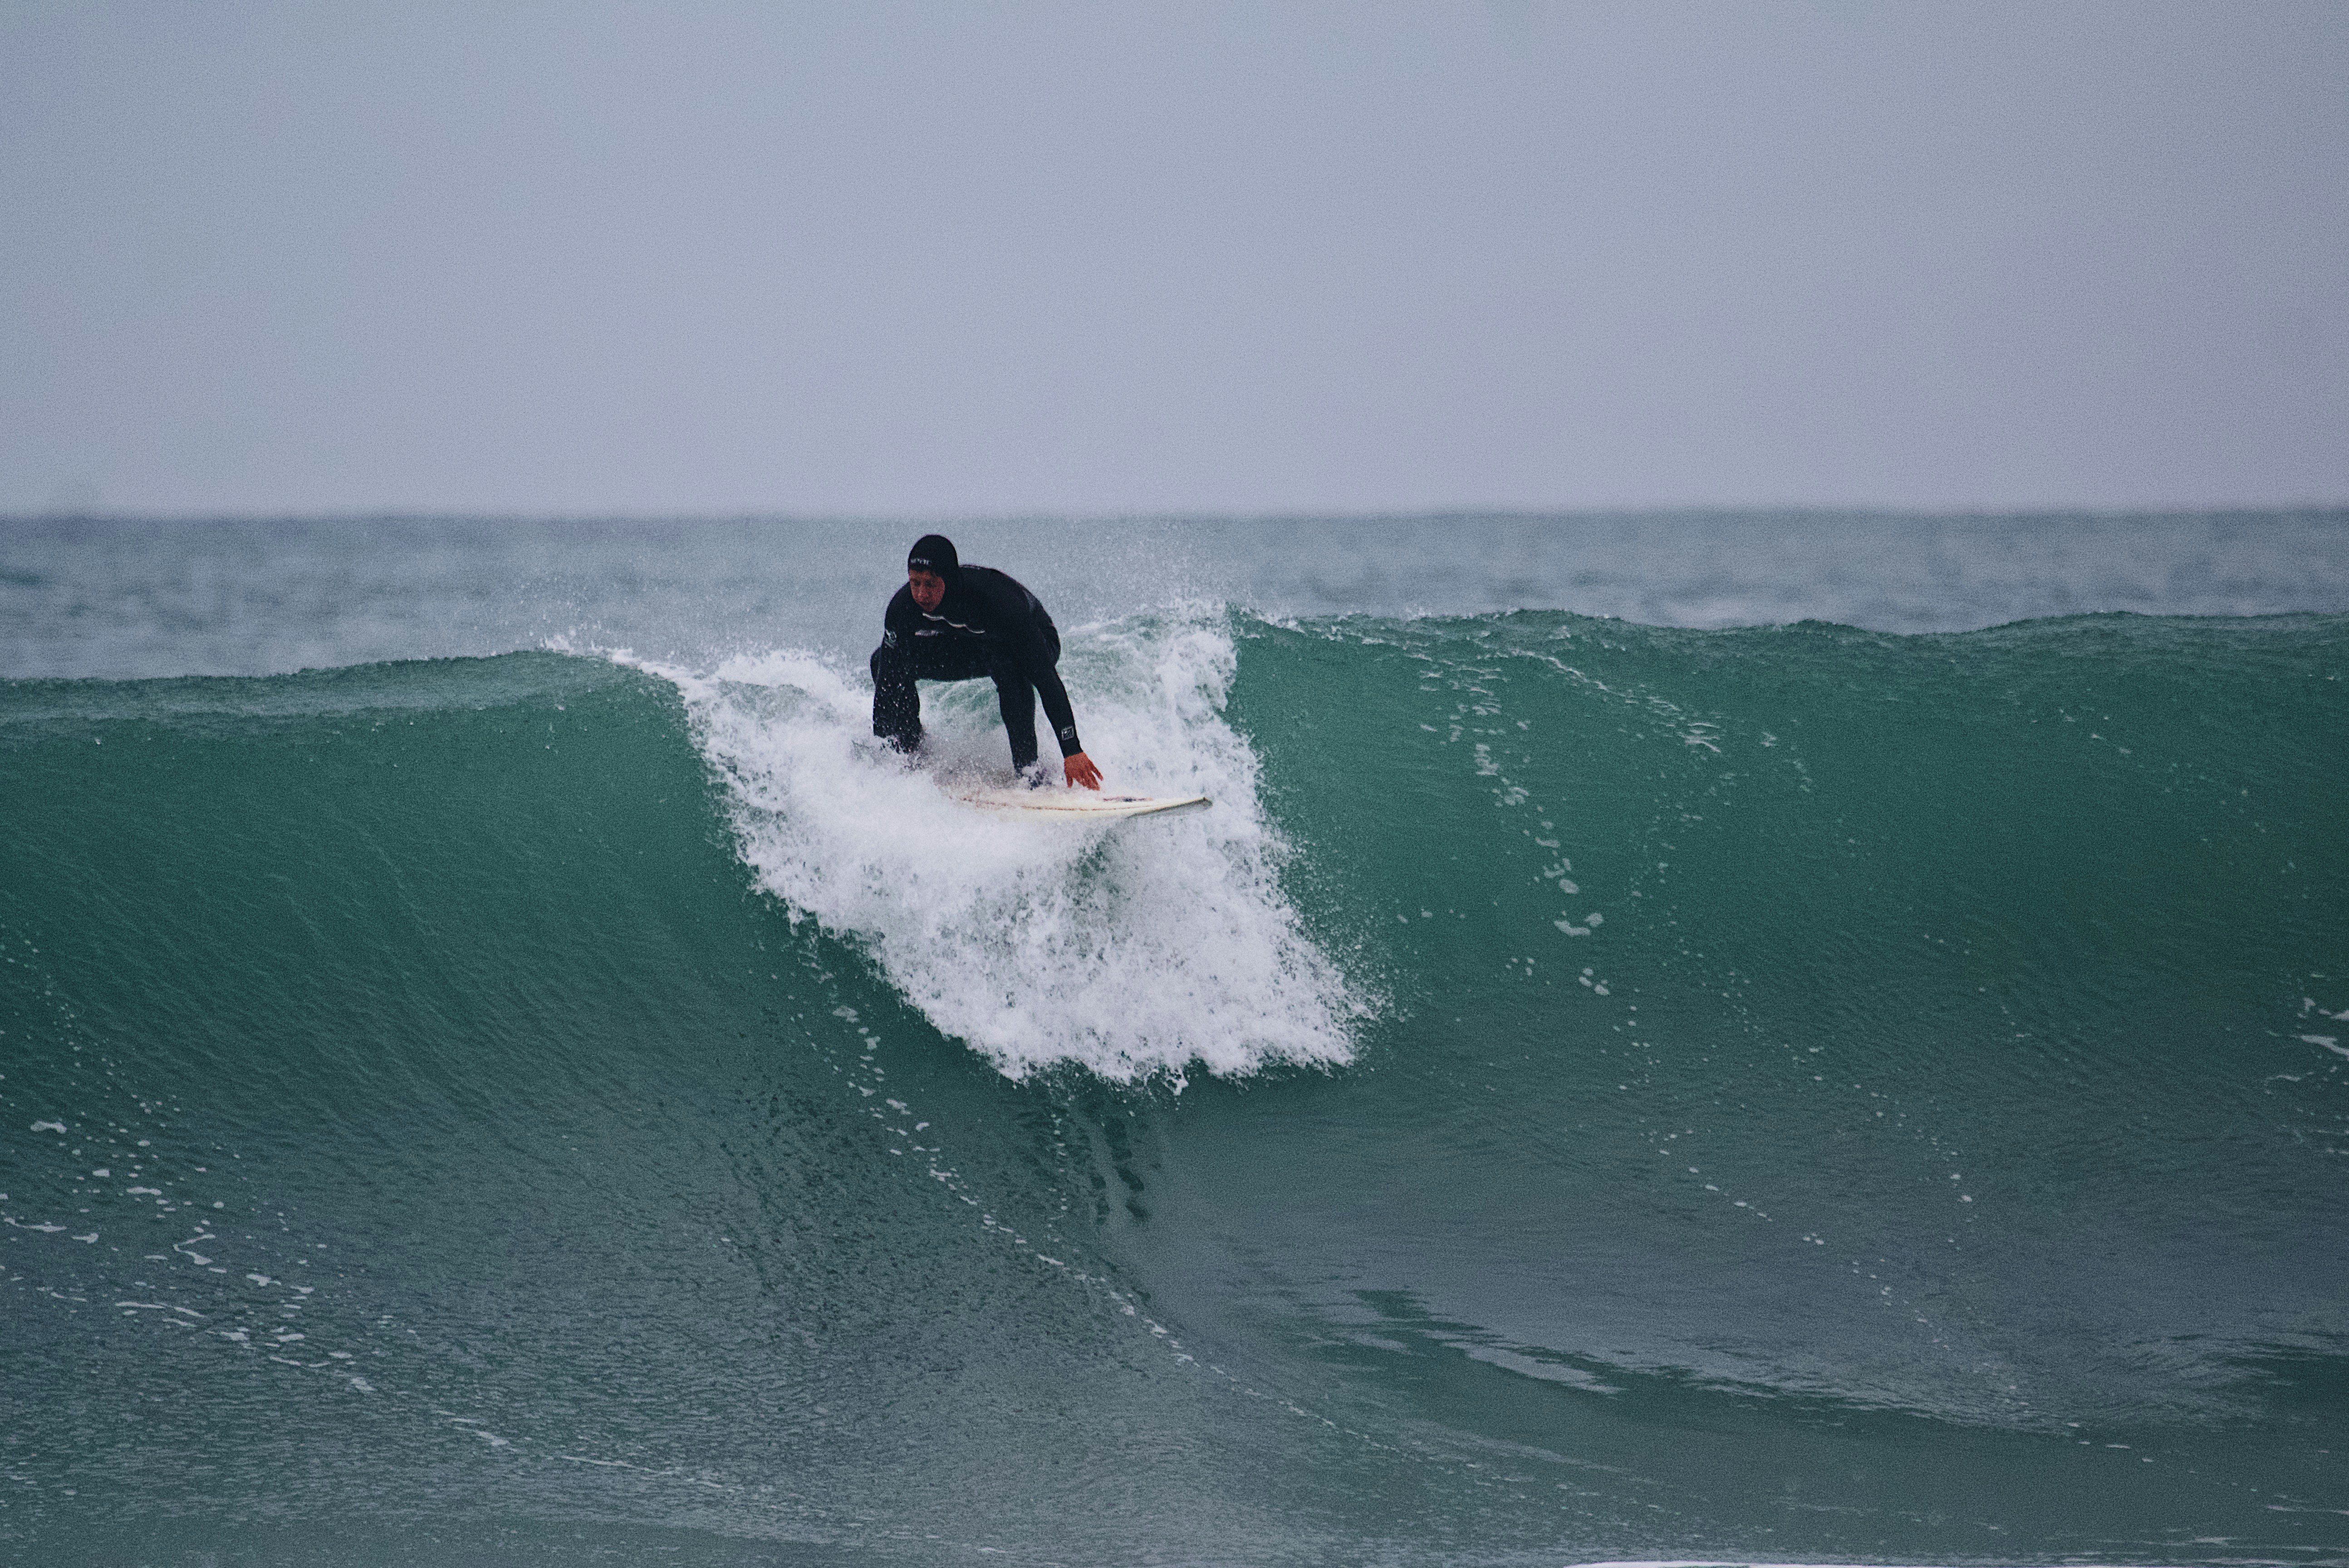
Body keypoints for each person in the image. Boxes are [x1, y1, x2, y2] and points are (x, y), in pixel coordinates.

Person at [870, 534, 1103, 789]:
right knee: (884, 660)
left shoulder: (997, 600)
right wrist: (884, 749)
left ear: (948, 579)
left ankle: (1030, 774)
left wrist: (1072, 750)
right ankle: (909, 752)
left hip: (1037, 640)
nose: (922, 594)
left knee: (1010, 665)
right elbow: (887, 682)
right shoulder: (903, 608)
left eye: (930, 583)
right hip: (975, 645)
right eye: (915, 583)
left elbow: (1047, 680)